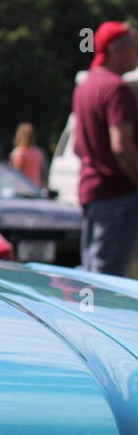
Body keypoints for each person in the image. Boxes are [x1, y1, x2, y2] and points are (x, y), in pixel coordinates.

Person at [75, 21, 138, 276]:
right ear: (115, 49)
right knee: (109, 277)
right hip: (117, 193)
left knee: (92, 268)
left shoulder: (85, 85)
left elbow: (79, 145)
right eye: (134, 47)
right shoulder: (116, 88)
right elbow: (121, 146)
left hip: (91, 191)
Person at [9, 123, 47, 187]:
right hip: (36, 187)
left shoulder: (19, 152)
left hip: (22, 187)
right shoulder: (39, 152)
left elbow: (16, 172)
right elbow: (43, 172)